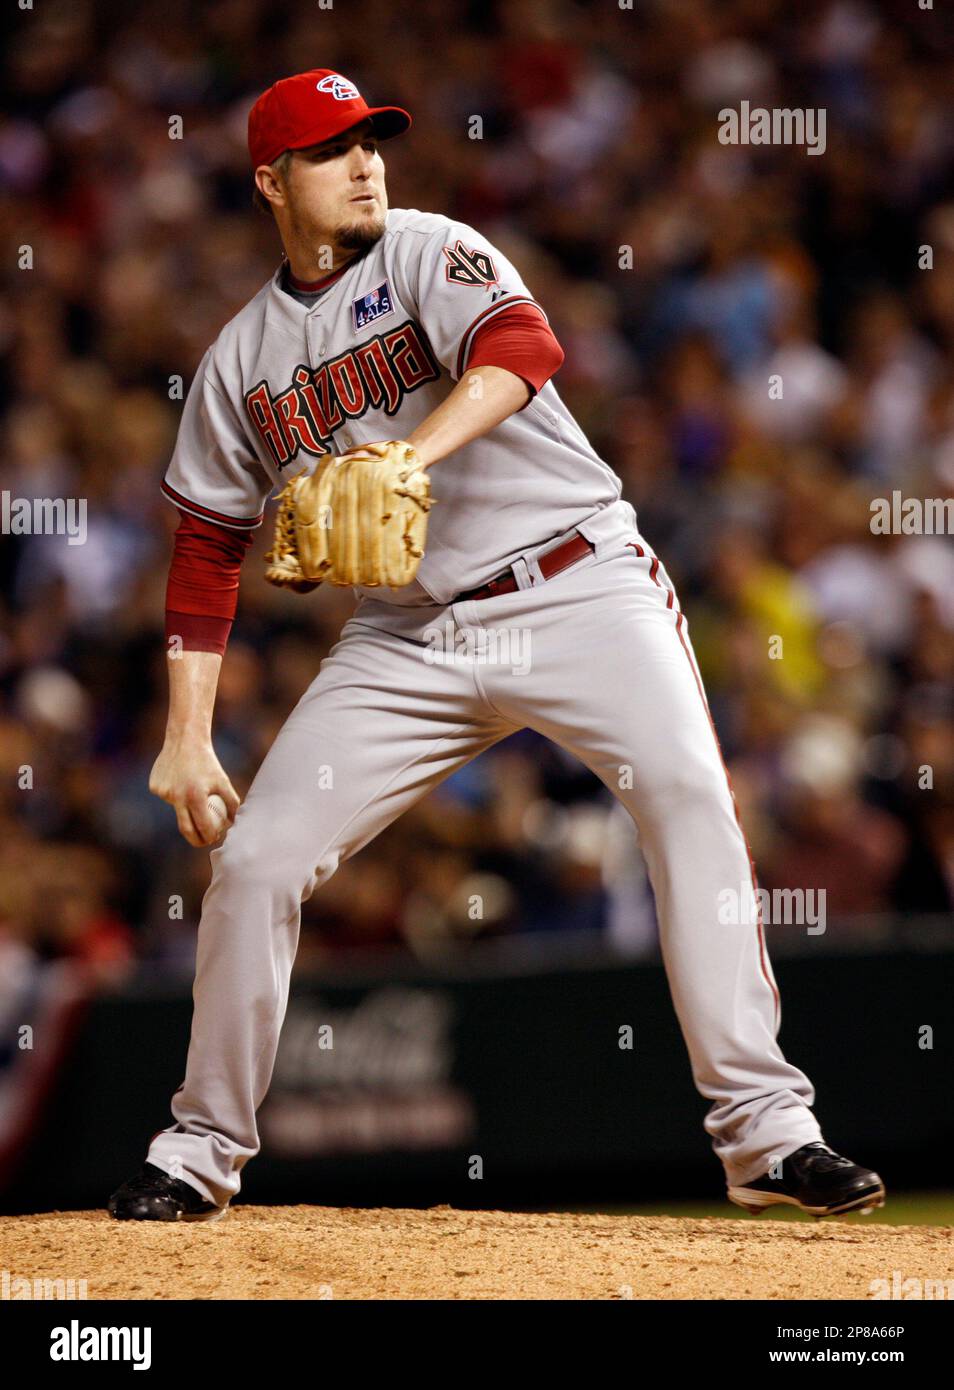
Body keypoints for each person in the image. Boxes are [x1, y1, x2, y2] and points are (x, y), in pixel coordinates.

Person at [108, 70, 884, 1223]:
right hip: (405, 639)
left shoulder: (431, 249)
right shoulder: (237, 362)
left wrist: (411, 453)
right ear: (271, 181)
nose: (366, 162)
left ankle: (768, 1133)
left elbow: (522, 351)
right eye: (332, 150)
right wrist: (184, 735)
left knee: (686, 797)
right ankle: (200, 1147)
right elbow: (208, 547)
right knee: (259, 861)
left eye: (372, 140)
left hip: (576, 583)